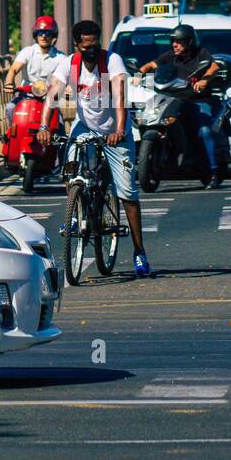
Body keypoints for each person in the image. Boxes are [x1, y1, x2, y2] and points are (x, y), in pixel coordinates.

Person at [39, 19, 152, 278]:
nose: (91, 50)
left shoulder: (111, 61)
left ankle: (139, 251)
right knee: (69, 166)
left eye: (94, 45)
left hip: (115, 127)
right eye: (85, 46)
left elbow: (120, 96)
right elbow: (52, 93)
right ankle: (77, 210)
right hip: (85, 125)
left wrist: (119, 130)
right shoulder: (69, 64)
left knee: (127, 192)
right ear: (77, 45)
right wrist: (44, 126)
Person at [138, 23, 224, 187]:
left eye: (179, 41)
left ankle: (213, 172)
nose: (174, 44)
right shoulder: (170, 56)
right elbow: (150, 66)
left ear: (189, 42)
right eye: (173, 41)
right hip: (174, 100)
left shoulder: (201, 54)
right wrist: (138, 75)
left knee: (204, 131)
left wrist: (205, 80)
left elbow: (213, 66)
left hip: (197, 101)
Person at [4, 16, 65, 123]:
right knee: (10, 108)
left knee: (59, 121)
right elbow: (13, 69)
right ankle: (13, 134)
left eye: (48, 33)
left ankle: (58, 139)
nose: (44, 36)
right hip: (26, 95)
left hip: (49, 97)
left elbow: (68, 77)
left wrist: (68, 88)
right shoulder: (28, 51)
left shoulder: (61, 57)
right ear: (35, 35)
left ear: (53, 36)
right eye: (40, 32)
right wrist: (9, 83)